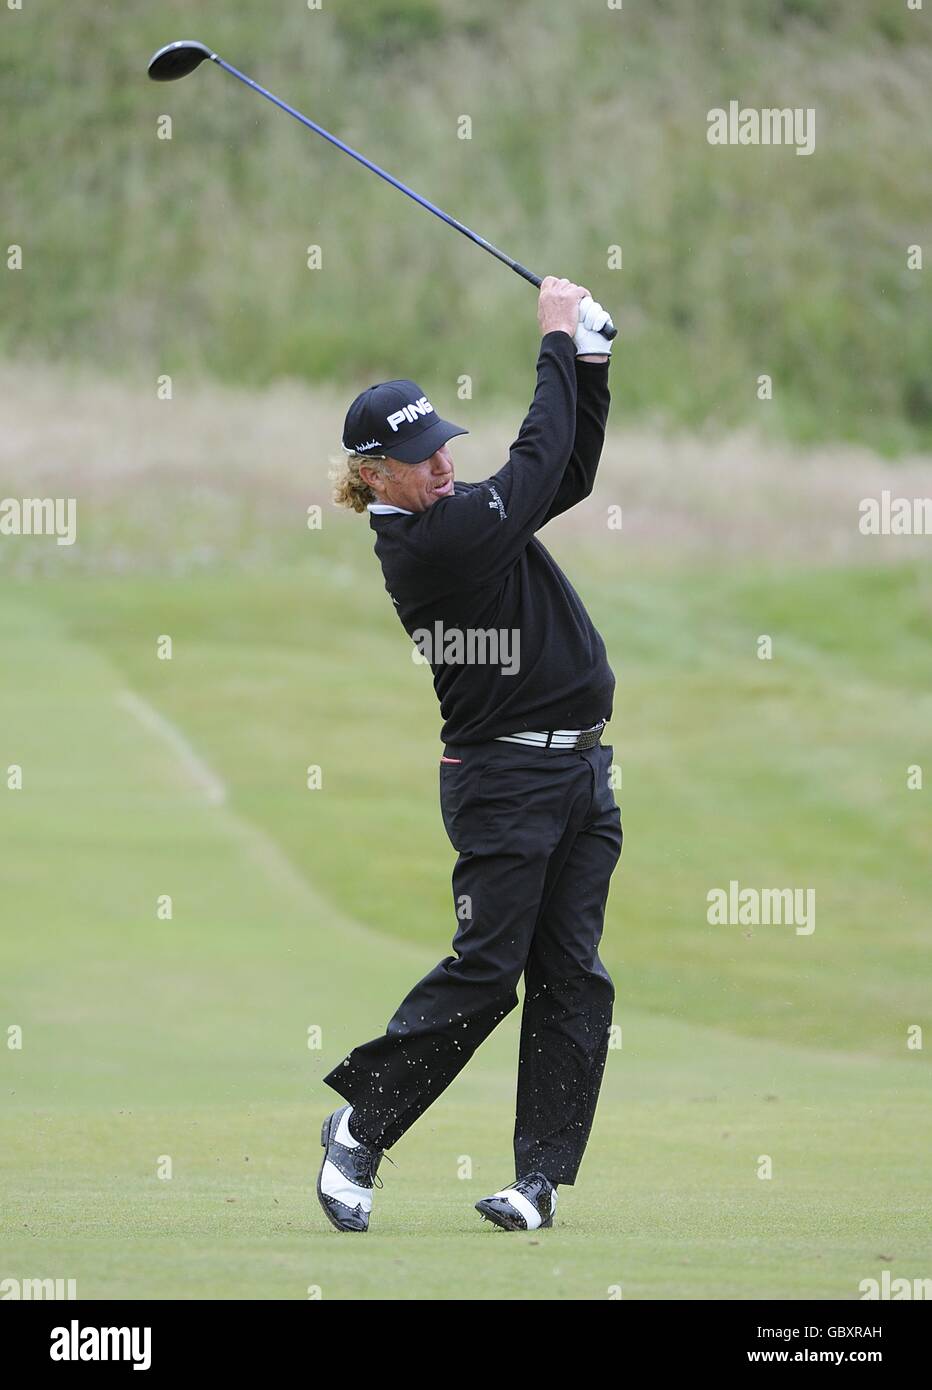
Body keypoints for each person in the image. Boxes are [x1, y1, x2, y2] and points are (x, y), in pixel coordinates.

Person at [318, 277, 622, 1232]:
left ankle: (538, 1182)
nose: (443, 461)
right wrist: (555, 343)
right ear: (374, 476)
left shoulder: (460, 513)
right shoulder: (431, 546)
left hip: (578, 770)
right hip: (505, 782)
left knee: (573, 974)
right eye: (418, 456)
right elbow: (535, 464)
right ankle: (360, 1127)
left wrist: (594, 366)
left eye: (443, 441)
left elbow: (565, 475)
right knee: (489, 971)